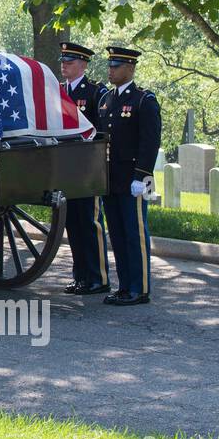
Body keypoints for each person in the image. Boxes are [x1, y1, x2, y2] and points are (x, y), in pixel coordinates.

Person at [95, 45, 162, 306]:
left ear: (130, 68)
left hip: (134, 177)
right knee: (119, 235)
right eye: (110, 66)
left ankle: (140, 288)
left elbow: (150, 141)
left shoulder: (144, 100)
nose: (111, 70)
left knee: (135, 234)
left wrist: (142, 174)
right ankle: (124, 286)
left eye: (116, 66)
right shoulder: (106, 100)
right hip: (111, 178)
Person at [58, 41, 110, 294]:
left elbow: (101, 131)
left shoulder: (95, 92)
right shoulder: (57, 91)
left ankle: (98, 277)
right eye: (63, 62)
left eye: (69, 62)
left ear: (83, 64)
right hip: (66, 166)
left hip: (87, 167)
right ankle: (80, 275)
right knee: (73, 223)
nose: (64, 66)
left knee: (90, 223)